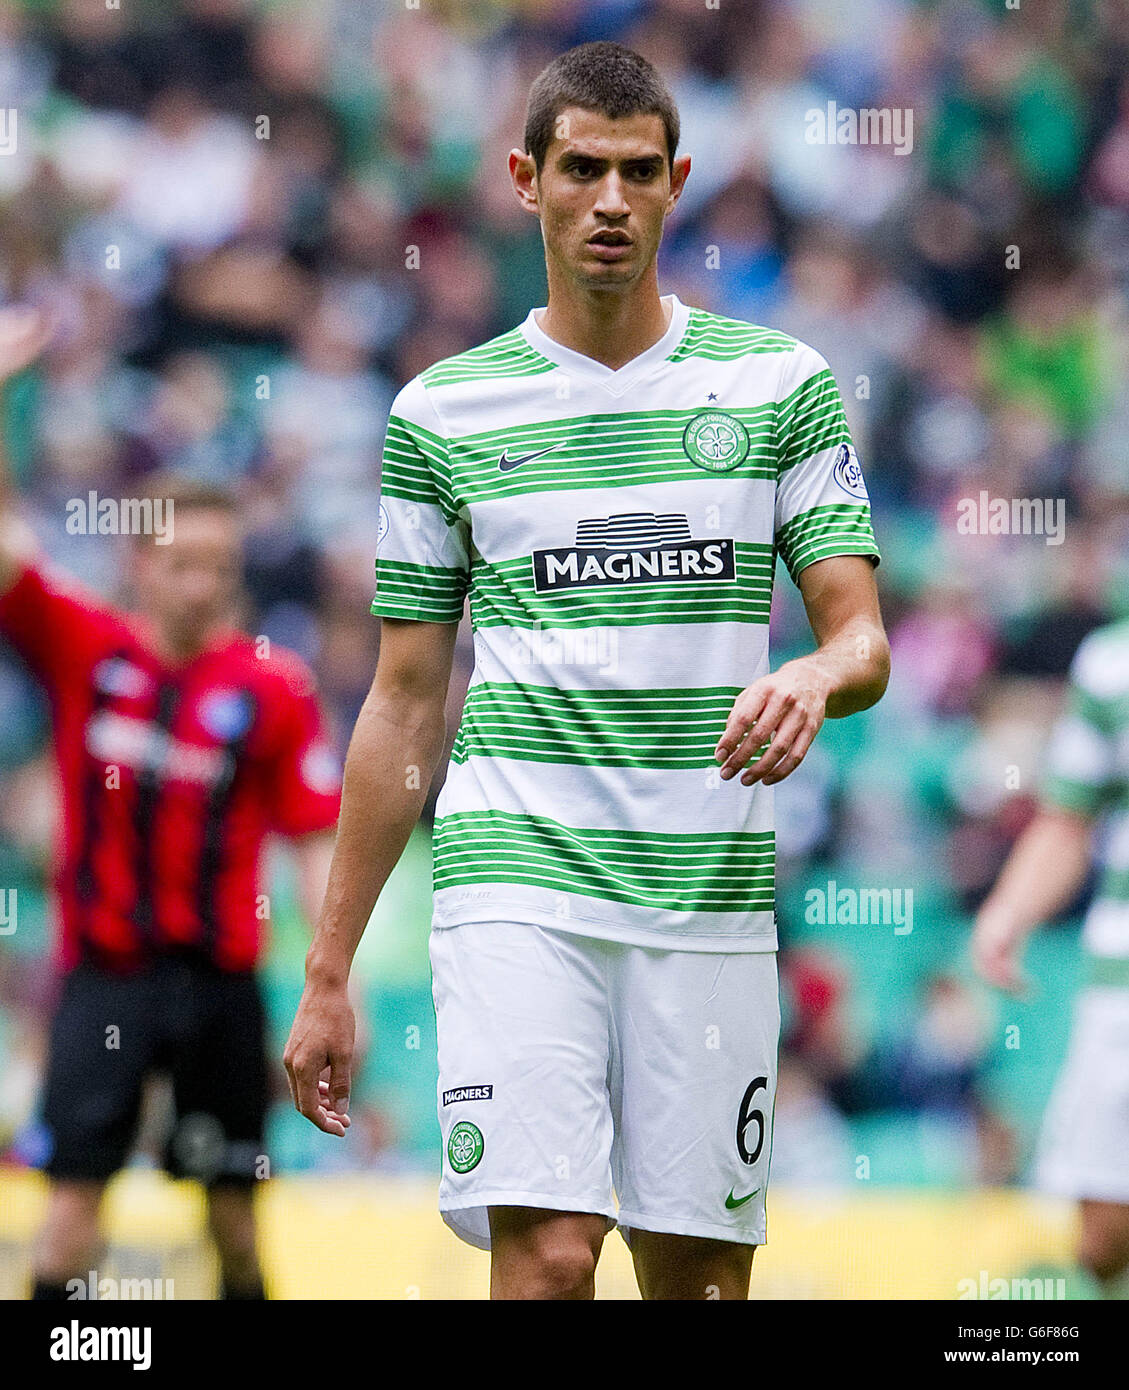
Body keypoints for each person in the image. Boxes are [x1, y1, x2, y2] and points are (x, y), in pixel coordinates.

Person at [285, 41, 889, 1300]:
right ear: (524, 178)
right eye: (579, 171)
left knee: (699, 1279)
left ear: (677, 181)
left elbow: (861, 637)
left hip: (706, 889)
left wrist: (814, 680)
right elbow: (403, 703)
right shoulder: (439, 415)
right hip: (517, 880)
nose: (607, 201)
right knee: (549, 1257)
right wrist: (329, 968)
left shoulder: (781, 385)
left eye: (634, 172)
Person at [0, 307, 341, 1300]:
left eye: (221, 570)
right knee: (66, 1227)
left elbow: (314, 834)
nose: (203, 586)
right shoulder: (85, 646)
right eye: (184, 564)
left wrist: (330, 973)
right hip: (101, 976)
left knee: (234, 1228)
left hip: (220, 986)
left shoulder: (271, 687)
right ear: (140, 561)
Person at [973, 617, 1129, 1295]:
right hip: (1119, 985)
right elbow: (1067, 818)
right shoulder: (1109, 663)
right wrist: (1008, 912)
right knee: (1101, 1238)